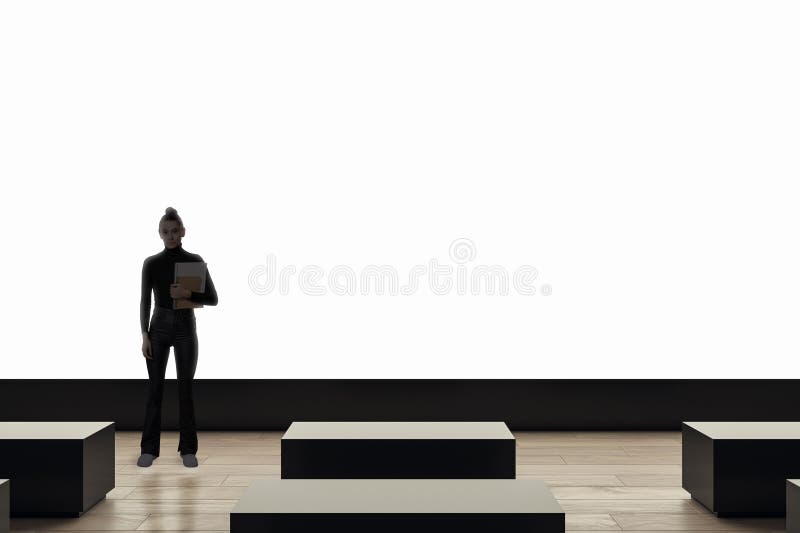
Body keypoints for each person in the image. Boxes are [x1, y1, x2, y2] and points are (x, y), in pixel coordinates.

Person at [138, 207, 218, 468]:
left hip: (185, 327)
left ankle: (188, 449)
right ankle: (149, 449)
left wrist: (187, 294)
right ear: (159, 233)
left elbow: (213, 299)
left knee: (186, 390)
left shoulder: (194, 260)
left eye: (175, 231)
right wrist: (144, 334)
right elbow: (145, 301)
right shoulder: (151, 263)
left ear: (183, 232)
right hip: (159, 327)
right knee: (155, 389)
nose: (171, 236)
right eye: (166, 232)